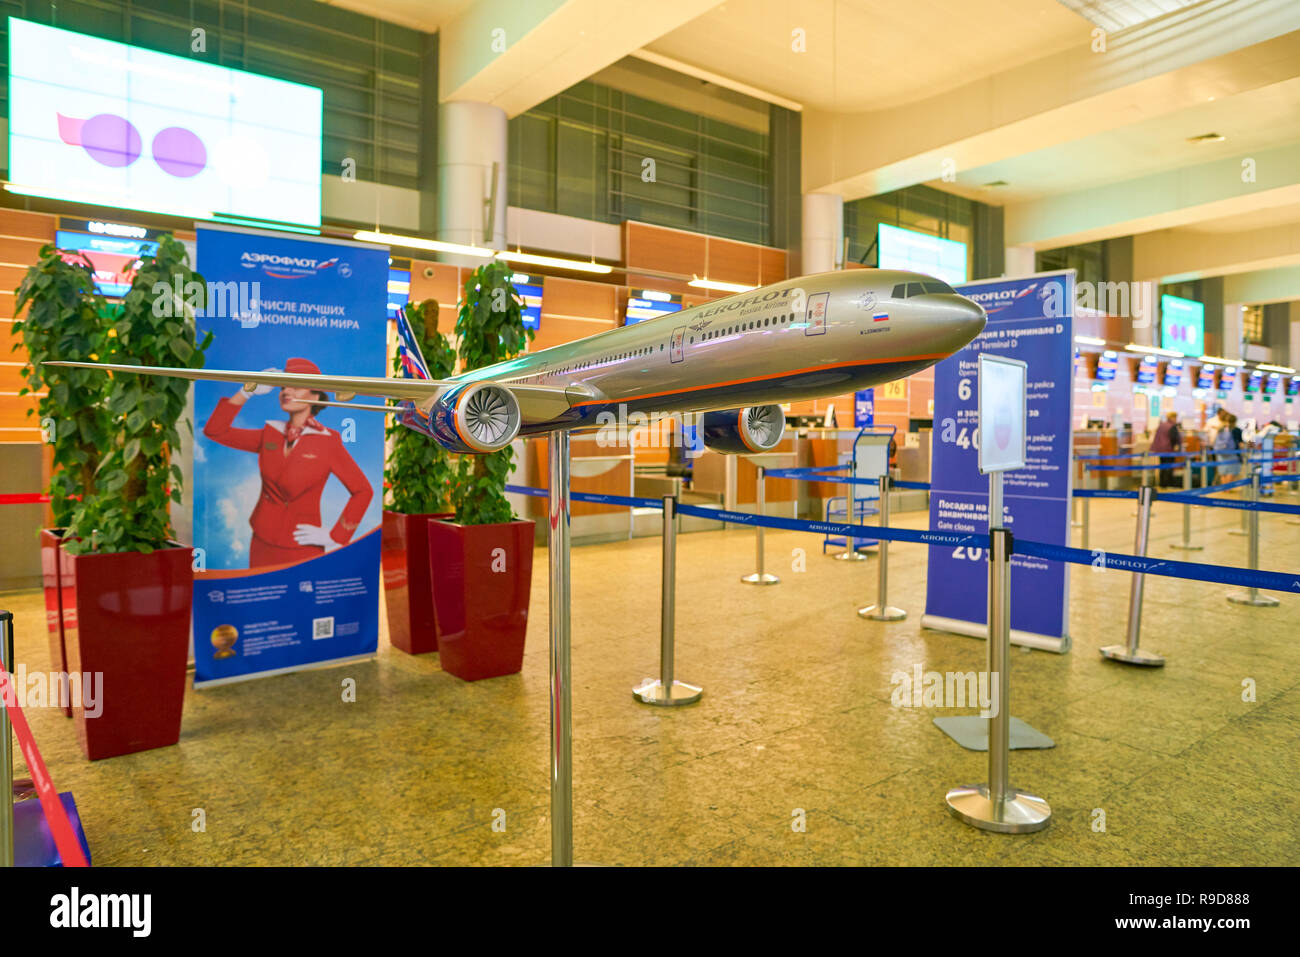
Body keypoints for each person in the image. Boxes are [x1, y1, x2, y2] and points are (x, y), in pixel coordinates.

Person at [203, 357, 374, 568]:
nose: (286, 391)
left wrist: (337, 535)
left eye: (295, 385)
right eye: (283, 386)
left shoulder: (329, 442)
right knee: (261, 597)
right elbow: (214, 431)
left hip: (302, 545)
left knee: (301, 600)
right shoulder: (270, 434)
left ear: (316, 394)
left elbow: (363, 490)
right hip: (262, 541)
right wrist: (247, 390)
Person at [1150, 410, 1182, 487]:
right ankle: (1168, 483)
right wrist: (1178, 447)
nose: (1176, 419)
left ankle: (1162, 484)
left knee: (1163, 466)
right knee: (1169, 467)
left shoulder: (1162, 425)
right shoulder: (1172, 426)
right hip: (1168, 449)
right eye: (1175, 417)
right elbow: (1174, 438)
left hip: (1160, 450)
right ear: (1172, 417)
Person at [1213, 412, 1241, 482]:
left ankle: (1224, 488)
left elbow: (1215, 440)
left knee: (1223, 472)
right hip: (1232, 453)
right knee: (1231, 471)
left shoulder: (1220, 428)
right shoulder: (1236, 430)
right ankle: (1228, 489)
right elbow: (1240, 443)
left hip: (1220, 452)